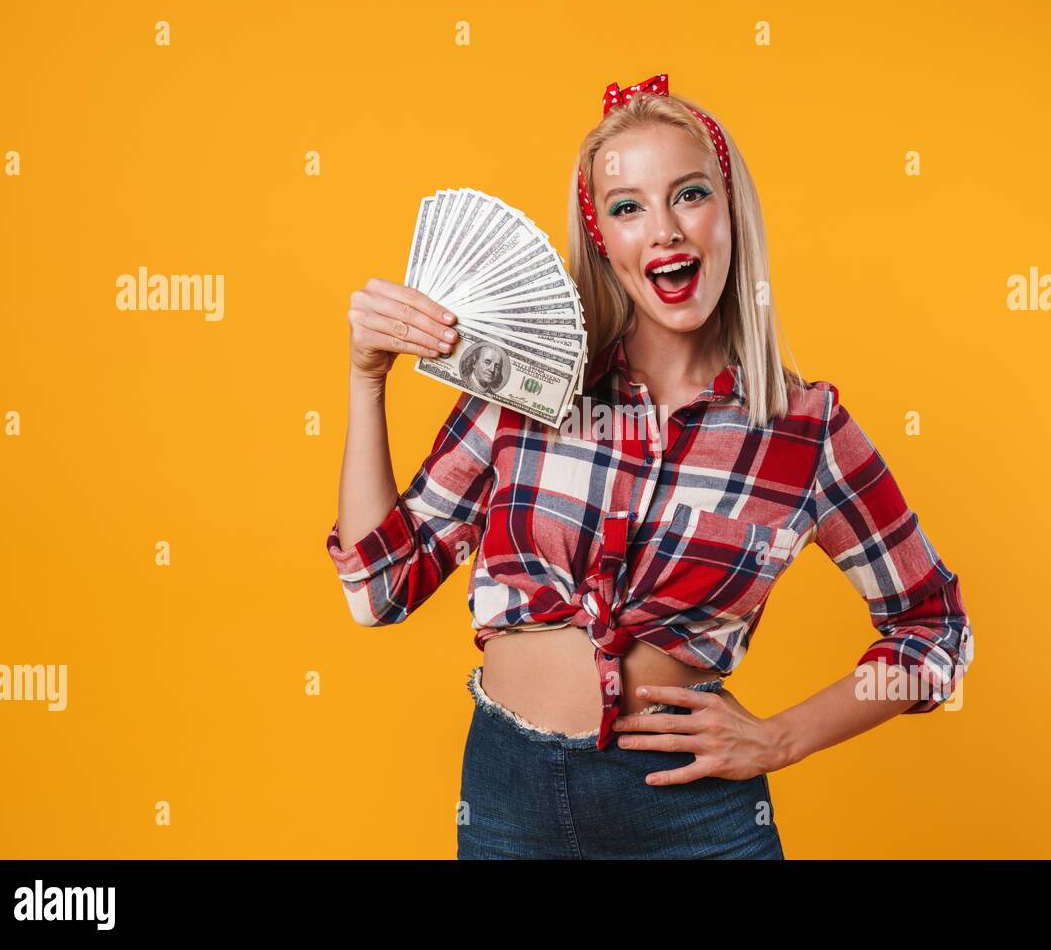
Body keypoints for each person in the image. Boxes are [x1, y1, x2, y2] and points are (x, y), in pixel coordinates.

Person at [327, 73, 974, 859]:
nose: (663, 230)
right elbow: (378, 589)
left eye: (689, 195)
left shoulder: (805, 431)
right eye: (628, 207)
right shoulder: (524, 384)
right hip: (505, 803)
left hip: (691, 820)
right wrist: (368, 380)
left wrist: (778, 739)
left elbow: (933, 629)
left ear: (730, 214)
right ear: (603, 236)